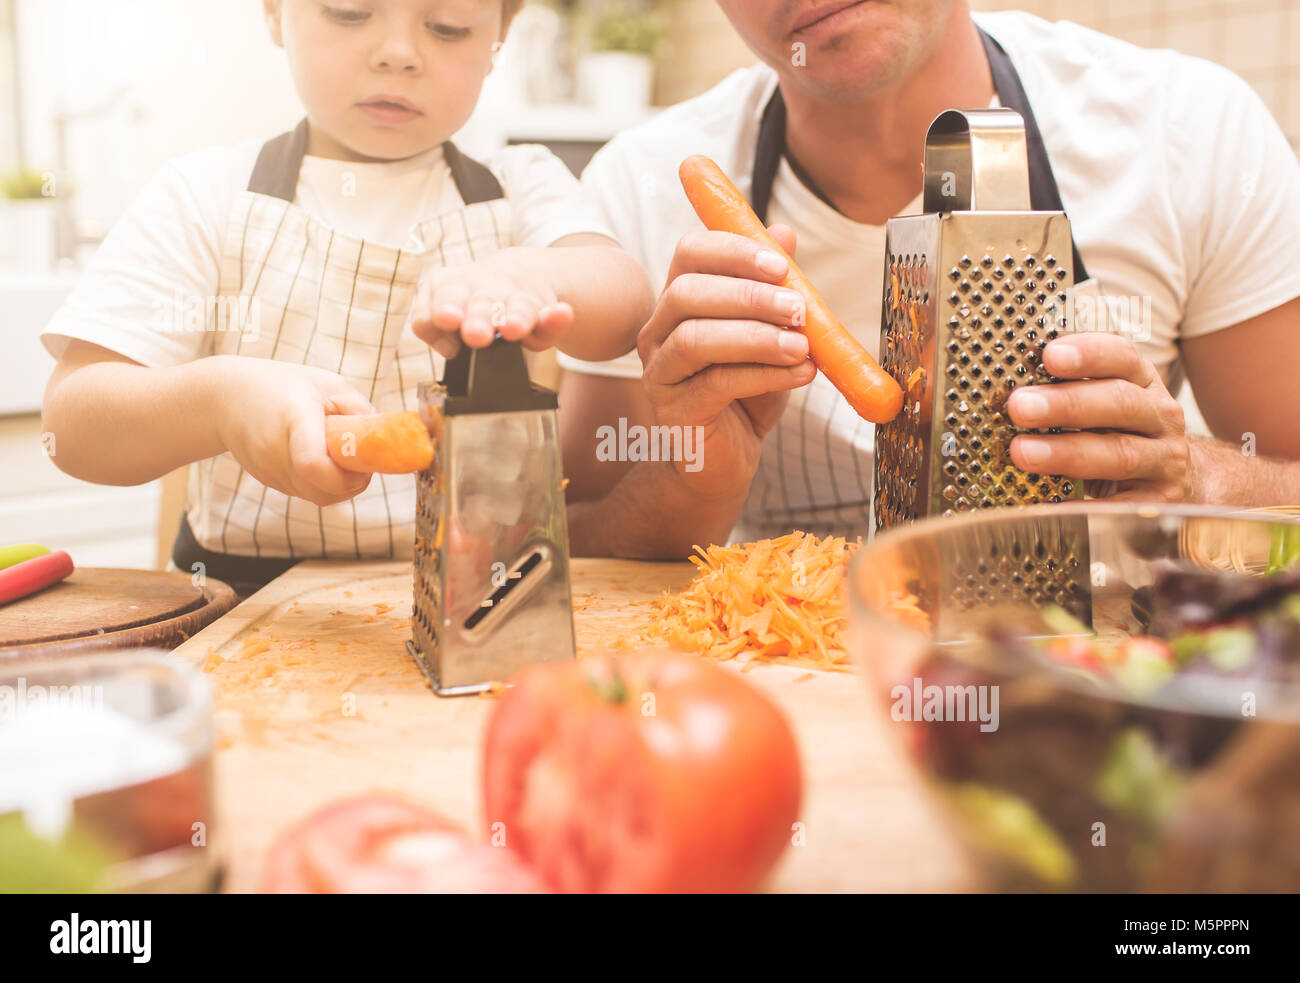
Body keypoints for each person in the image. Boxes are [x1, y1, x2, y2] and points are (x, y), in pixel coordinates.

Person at [558, 1, 1300, 558]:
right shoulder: (635, 193)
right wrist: (686, 481)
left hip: (1069, 701)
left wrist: (1199, 485)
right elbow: (570, 557)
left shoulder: (1188, 133)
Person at [40, 0, 653, 594]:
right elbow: (72, 427)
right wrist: (218, 401)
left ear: (501, 34)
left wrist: (538, 274)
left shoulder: (521, 185)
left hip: (477, 595)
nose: (398, 54)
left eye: (448, 27)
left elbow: (625, 306)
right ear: (276, 11)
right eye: (349, 13)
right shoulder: (203, 194)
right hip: (240, 603)